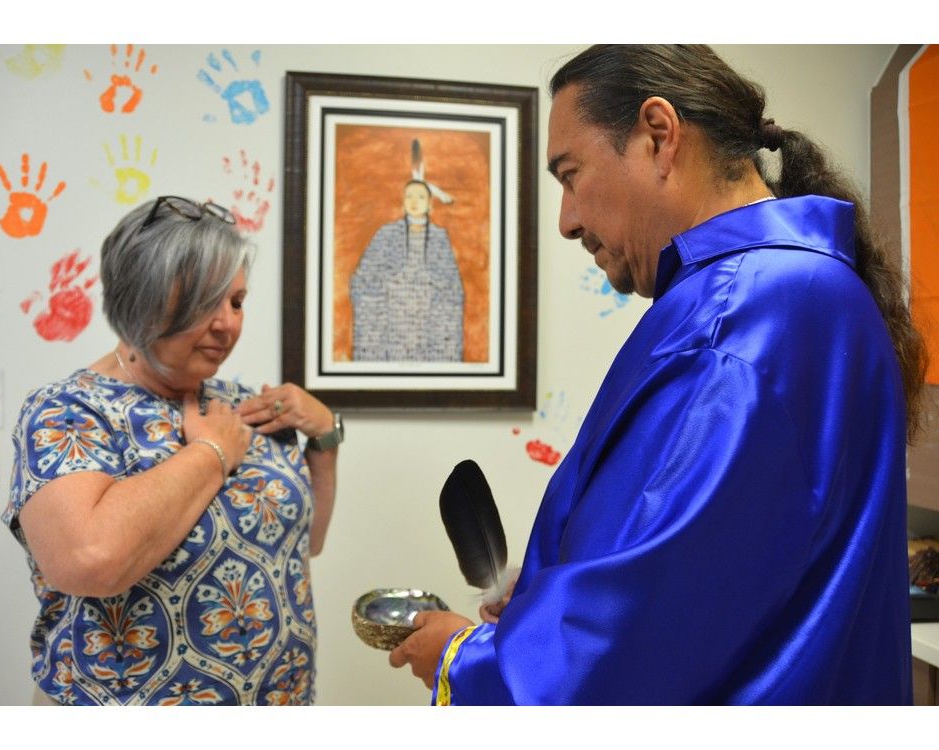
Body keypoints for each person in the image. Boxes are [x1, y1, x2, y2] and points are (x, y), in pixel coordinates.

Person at [389, 45, 928, 704]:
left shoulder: (742, 317)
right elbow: (719, 576)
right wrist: (547, 605)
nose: (567, 221)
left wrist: (466, 659)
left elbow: (634, 640)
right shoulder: (790, 293)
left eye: (571, 174)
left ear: (659, 136)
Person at [3, 195, 345, 705]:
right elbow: (89, 560)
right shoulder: (69, 412)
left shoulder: (244, 405)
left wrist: (325, 440)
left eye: (236, 302)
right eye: (207, 301)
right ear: (141, 298)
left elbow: (305, 542)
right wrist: (210, 452)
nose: (227, 324)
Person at [349, 179, 464, 361]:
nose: (414, 201)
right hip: (392, 314)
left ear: (429, 204)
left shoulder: (439, 236)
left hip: (427, 315)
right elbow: (363, 279)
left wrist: (430, 286)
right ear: (402, 201)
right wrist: (390, 284)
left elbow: (451, 286)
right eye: (409, 196)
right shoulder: (386, 233)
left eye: (420, 196)